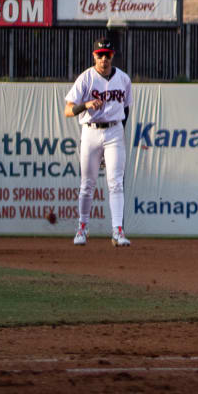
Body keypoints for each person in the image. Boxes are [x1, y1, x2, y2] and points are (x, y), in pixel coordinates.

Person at [63, 37, 133, 247]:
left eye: (108, 55)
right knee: (87, 184)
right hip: (91, 132)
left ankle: (118, 231)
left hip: (114, 131)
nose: (104, 59)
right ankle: (82, 228)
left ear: (112, 56)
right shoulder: (86, 78)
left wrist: (120, 133)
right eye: (100, 55)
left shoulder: (123, 79)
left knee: (116, 183)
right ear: (94, 56)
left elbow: (126, 109)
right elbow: (68, 110)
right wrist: (85, 105)